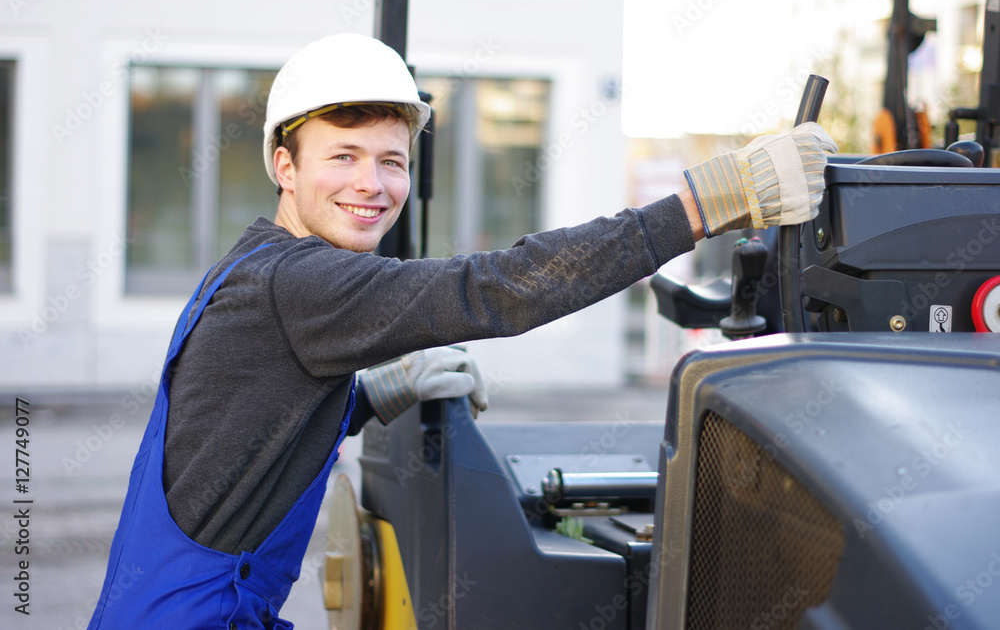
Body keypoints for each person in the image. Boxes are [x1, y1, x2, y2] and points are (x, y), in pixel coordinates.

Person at [88, 33, 836, 628]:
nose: (370, 185)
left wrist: (368, 396)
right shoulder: (303, 282)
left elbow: (241, 422)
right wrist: (706, 203)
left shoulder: (255, 264)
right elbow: (495, 288)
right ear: (285, 166)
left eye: (390, 161)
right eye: (341, 157)